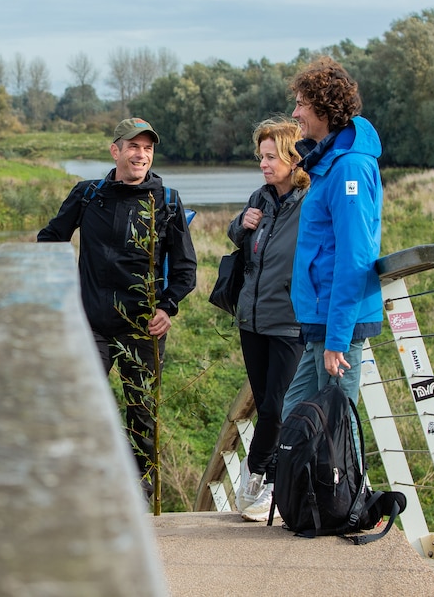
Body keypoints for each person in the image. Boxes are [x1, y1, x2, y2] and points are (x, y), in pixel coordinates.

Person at [37, 117, 197, 498]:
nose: (141, 155)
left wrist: (167, 308)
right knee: (79, 404)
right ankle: (81, 490)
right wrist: (59, 293)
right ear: (116, 150)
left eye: (148, 148)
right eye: (133, 146)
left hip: (142, 329)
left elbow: (187, 270)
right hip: (90, 323)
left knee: (143, 414)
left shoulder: (168, 202)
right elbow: (50, 239)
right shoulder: (88, 194)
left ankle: (137, 498)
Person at [281, 56, 384, 422]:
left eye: (301, 104)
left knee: (336, 430)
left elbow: (355, 257)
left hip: (336, 325)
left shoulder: (348, 168)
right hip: (321, 320)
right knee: (296, 416)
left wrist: (338, 339)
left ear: (324, 109)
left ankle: (349, 484)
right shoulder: (330, 164)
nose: (294, 114)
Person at [227, 117, 310, 522]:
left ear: (294, 158)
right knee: (265, 406)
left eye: (271, 156)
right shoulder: (260, 197)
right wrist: (242, 226)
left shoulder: (309, 201)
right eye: (261, 156)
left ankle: (254, 476)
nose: (263, 163)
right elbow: (235, 234)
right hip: (252, 321)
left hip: (290, 323)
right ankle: (273, 485)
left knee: (277, 408)